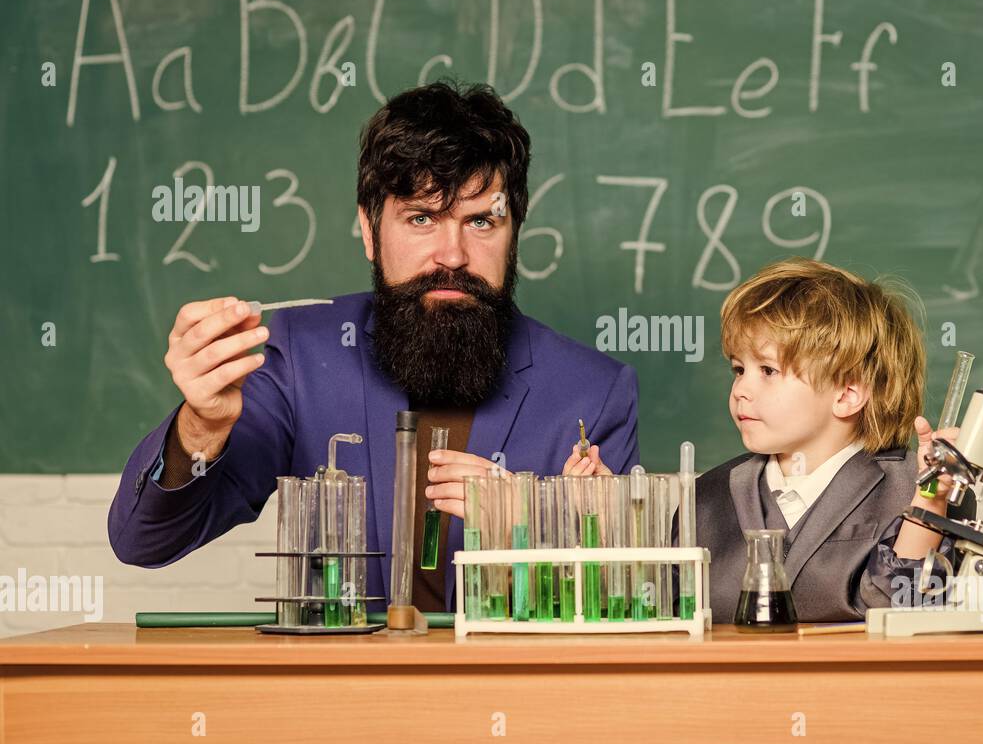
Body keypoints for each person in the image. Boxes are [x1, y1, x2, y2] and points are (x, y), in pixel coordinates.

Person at [107, 81, 638, 612]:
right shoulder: (303, 355)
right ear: (369, 228)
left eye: (480, 221)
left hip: (513, 693)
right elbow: (145, 541)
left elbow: (626, 603)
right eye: (421, 218)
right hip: (343, 694)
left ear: (514, 231)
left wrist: (534, 529)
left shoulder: (592, 393)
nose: (451, 255)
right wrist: (201, 426)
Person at [694, 257, 972, 622]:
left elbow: (904, 610)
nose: (741, 389)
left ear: (847, 393)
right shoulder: (706, 498)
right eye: (738, 369)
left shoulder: (916, 489)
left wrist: (930, 505)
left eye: (767, 370)